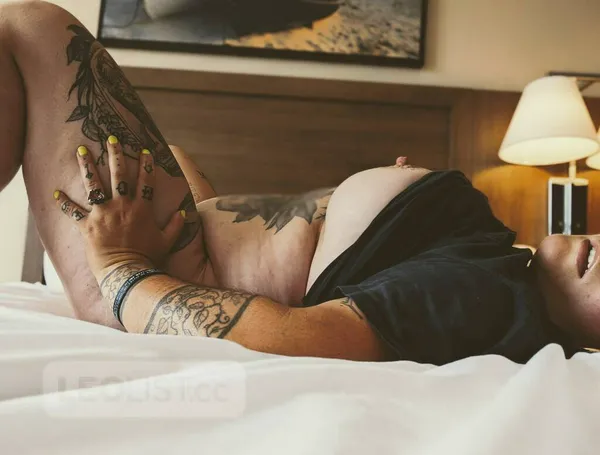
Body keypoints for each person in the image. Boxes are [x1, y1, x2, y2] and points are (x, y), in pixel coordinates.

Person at [0, 1, 578, 364]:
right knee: (176, 155)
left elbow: (305, 337)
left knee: (29, 25)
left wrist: (121, 268)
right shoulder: (499, 265)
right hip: (192, 234)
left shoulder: (494, 293)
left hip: (165, 267)